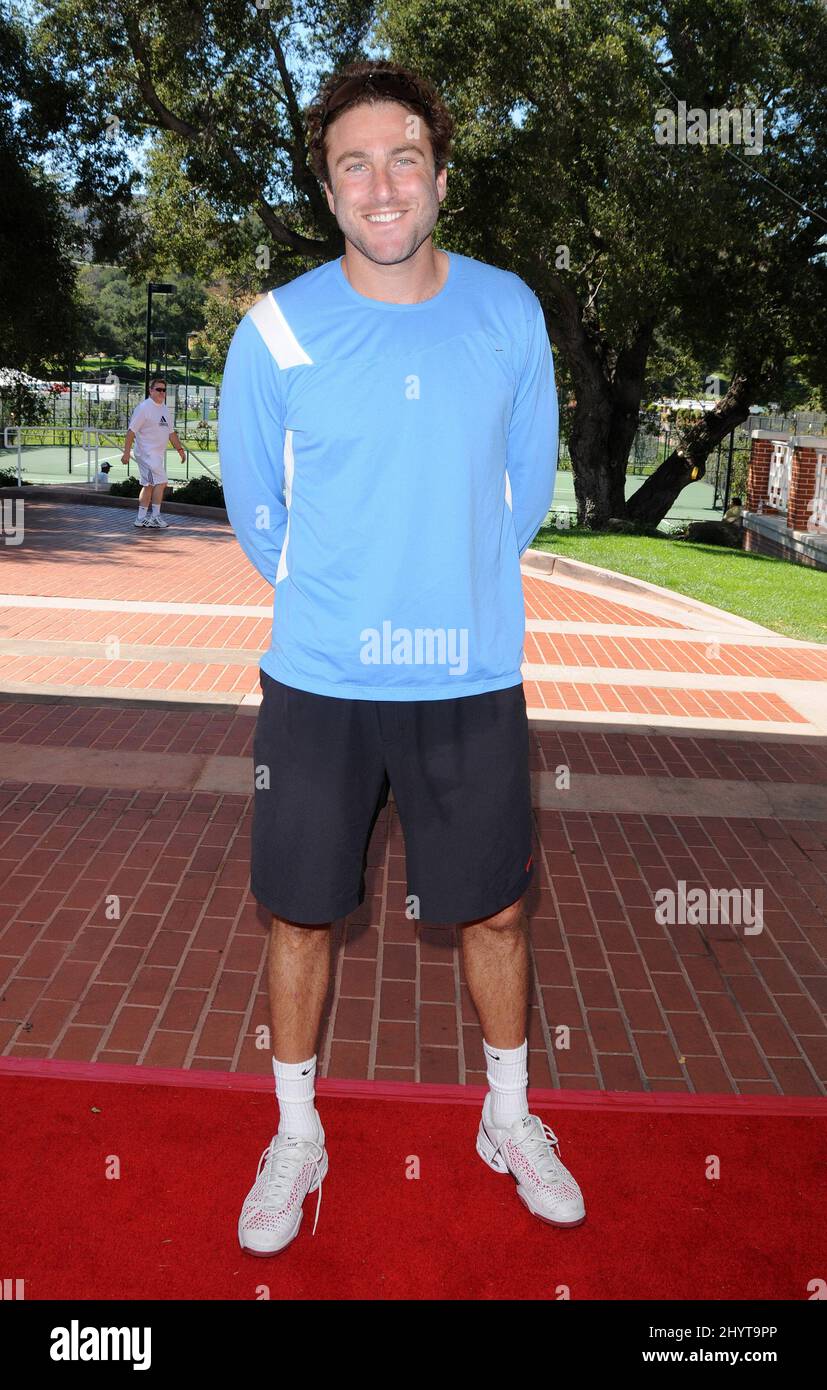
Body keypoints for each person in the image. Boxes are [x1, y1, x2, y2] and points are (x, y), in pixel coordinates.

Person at [219, 60, 585, 1259]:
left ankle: (507, 1116)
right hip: (319, 685)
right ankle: (294, 1133)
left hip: (469, 682)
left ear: (439, 174)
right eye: (353, 164)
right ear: (327, 191)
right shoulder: (273, 331)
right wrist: (347, 604)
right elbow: (259, 522)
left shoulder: (508, 312)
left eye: (404, 158)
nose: (382, 185)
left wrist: (444, 594)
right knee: (299, 916)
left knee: (491, 911)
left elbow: (521, 496)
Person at [121, 378, 185, 527]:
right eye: (158, 389)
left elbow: (171, 433)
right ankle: (155, 516)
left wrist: (180, 450)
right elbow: (131, 432)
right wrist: (126, 453)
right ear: (150, 390)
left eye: (164, 390)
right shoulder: (144, 408)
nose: (162, 392)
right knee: (161, 482)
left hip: (156, 456)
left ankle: (140, 518)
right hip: (146, 454)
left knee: (149, 484)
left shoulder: (164, 409)